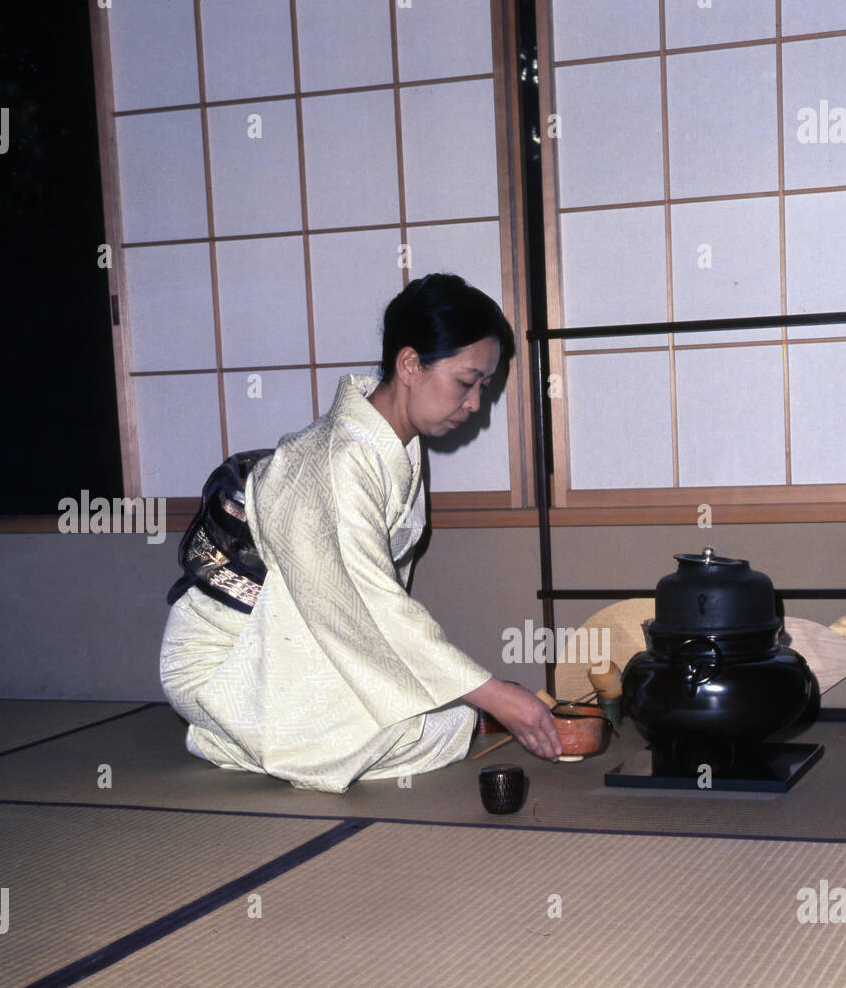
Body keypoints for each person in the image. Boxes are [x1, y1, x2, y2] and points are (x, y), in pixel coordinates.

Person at [159, 273, 561, 792]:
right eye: (466, 383)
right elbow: (369, 604)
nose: (475, 405)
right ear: (410, 364)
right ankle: (227, 729)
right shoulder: (337, 460)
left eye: (484, 387)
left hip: (296, 639)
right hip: (226, 658)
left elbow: (371, 603)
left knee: (444, 724)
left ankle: (262, 735)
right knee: (423, 727)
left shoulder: (396, 446)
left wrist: (470, 692)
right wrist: (495, 694)